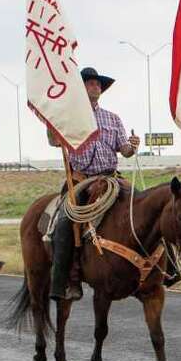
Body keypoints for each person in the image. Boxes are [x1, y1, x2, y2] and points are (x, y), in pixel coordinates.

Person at [44, 67, 139, 302]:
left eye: (98, 84)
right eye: (90, 83)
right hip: (81, 179)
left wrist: (132, 146)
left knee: (142, 204)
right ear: (81, 89)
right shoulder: (69, 117)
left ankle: (147, 268)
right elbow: (53, 140)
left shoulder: (113, 118)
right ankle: (66, 280)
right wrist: (50, 121)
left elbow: (124, 150)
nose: (95, 86)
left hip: (111, 177)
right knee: (66, 222)